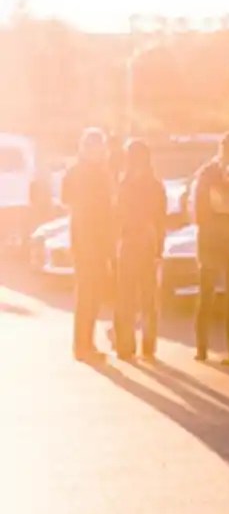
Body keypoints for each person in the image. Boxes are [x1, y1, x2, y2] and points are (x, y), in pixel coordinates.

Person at [192, 133, 229, 364]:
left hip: (222, 237)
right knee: (209, 293)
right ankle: (203, 348)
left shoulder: (228, 173)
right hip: (212, 238)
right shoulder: (211, 173)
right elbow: (222, 204)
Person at [62, 129, 115, 361]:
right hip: (87, 241)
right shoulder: (83, 173)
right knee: (87, 295)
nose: (99, 152)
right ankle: (82, 346)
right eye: (94, 147)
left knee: (93, 295)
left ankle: (87, 344)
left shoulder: (95, 172)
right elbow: (74, 202)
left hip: (96, 239)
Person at [113, 140, 166, 360]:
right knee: (148, 298)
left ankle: (125, 346)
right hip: (149, 243)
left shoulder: (123, 185)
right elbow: (160, 219)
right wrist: (159, 250)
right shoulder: (155, 186)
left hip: (129, 244)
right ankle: (148, 346)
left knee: (126, 297)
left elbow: (116, 217)